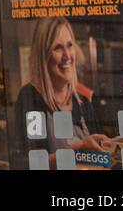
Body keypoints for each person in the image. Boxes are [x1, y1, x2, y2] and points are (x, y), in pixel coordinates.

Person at [15, 15, 112, 168]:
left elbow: (99, 159)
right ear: (43, 56)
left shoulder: (83, 102)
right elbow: (33, 163)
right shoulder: (31, 97)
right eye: (58, 48)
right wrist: (77, 149)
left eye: (69, 45)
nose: (67, 56)